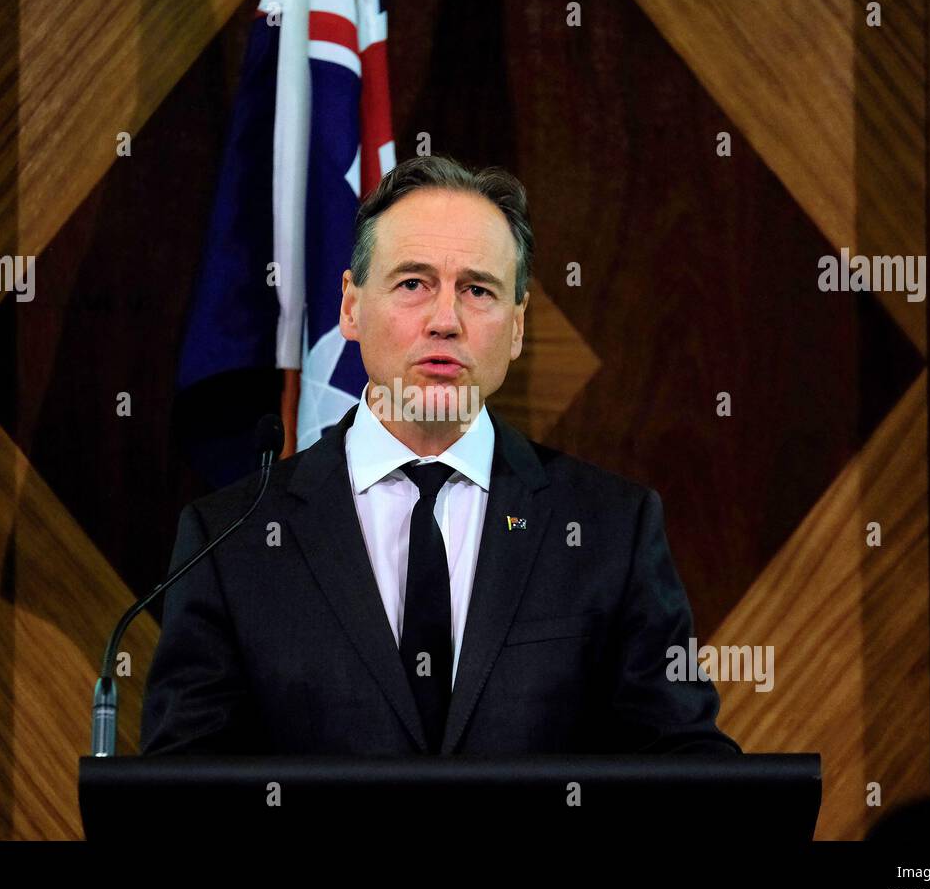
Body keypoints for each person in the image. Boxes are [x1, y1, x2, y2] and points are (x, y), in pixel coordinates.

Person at [141, 154, 739, 757]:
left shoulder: (613, 531)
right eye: (413, 284)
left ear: (517, 326)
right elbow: (186, 793)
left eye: (478, 290)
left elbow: (688, 768)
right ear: (351, 306)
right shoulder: (231, 539)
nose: (445, 320)